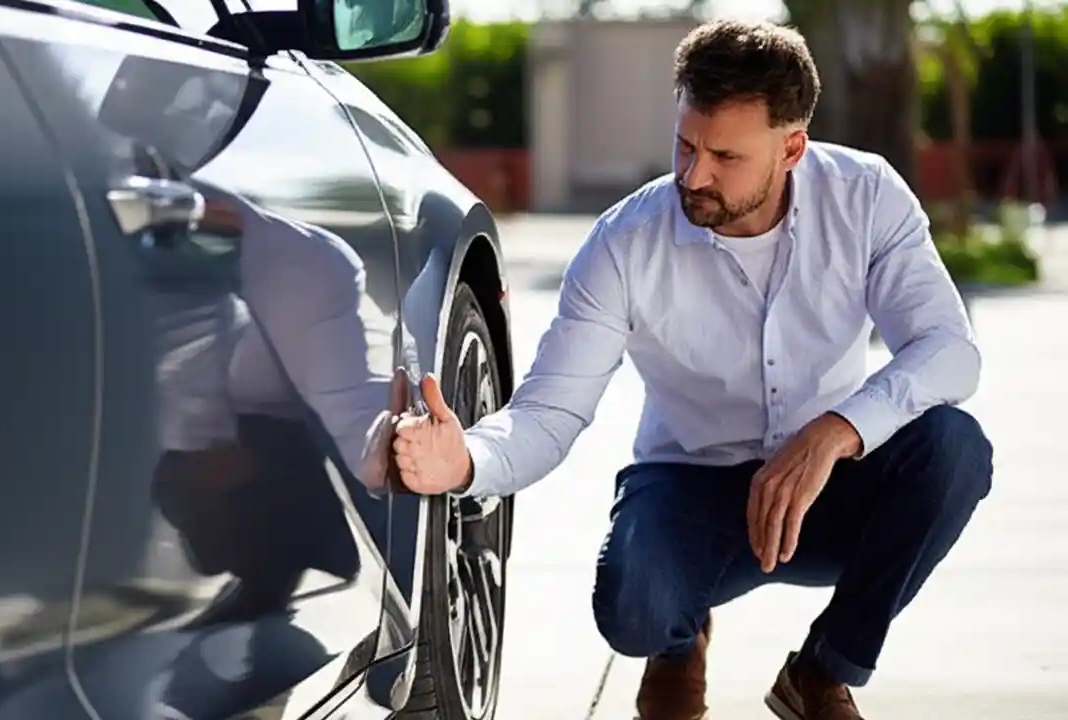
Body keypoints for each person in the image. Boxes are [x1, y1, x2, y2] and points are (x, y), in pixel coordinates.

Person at [391, 19, 993, 720]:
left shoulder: (866, 198)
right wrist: (466, 459)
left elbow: (949, 348)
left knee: (954, 448)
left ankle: (823, 671)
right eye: (686, 145)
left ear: (791, 148)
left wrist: (837, 431)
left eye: (725, 156)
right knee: (633, 611)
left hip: (829, 487)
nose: (693, 175)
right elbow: (549, 412)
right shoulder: (624, 243)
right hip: (690, 487)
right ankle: (678, 641)